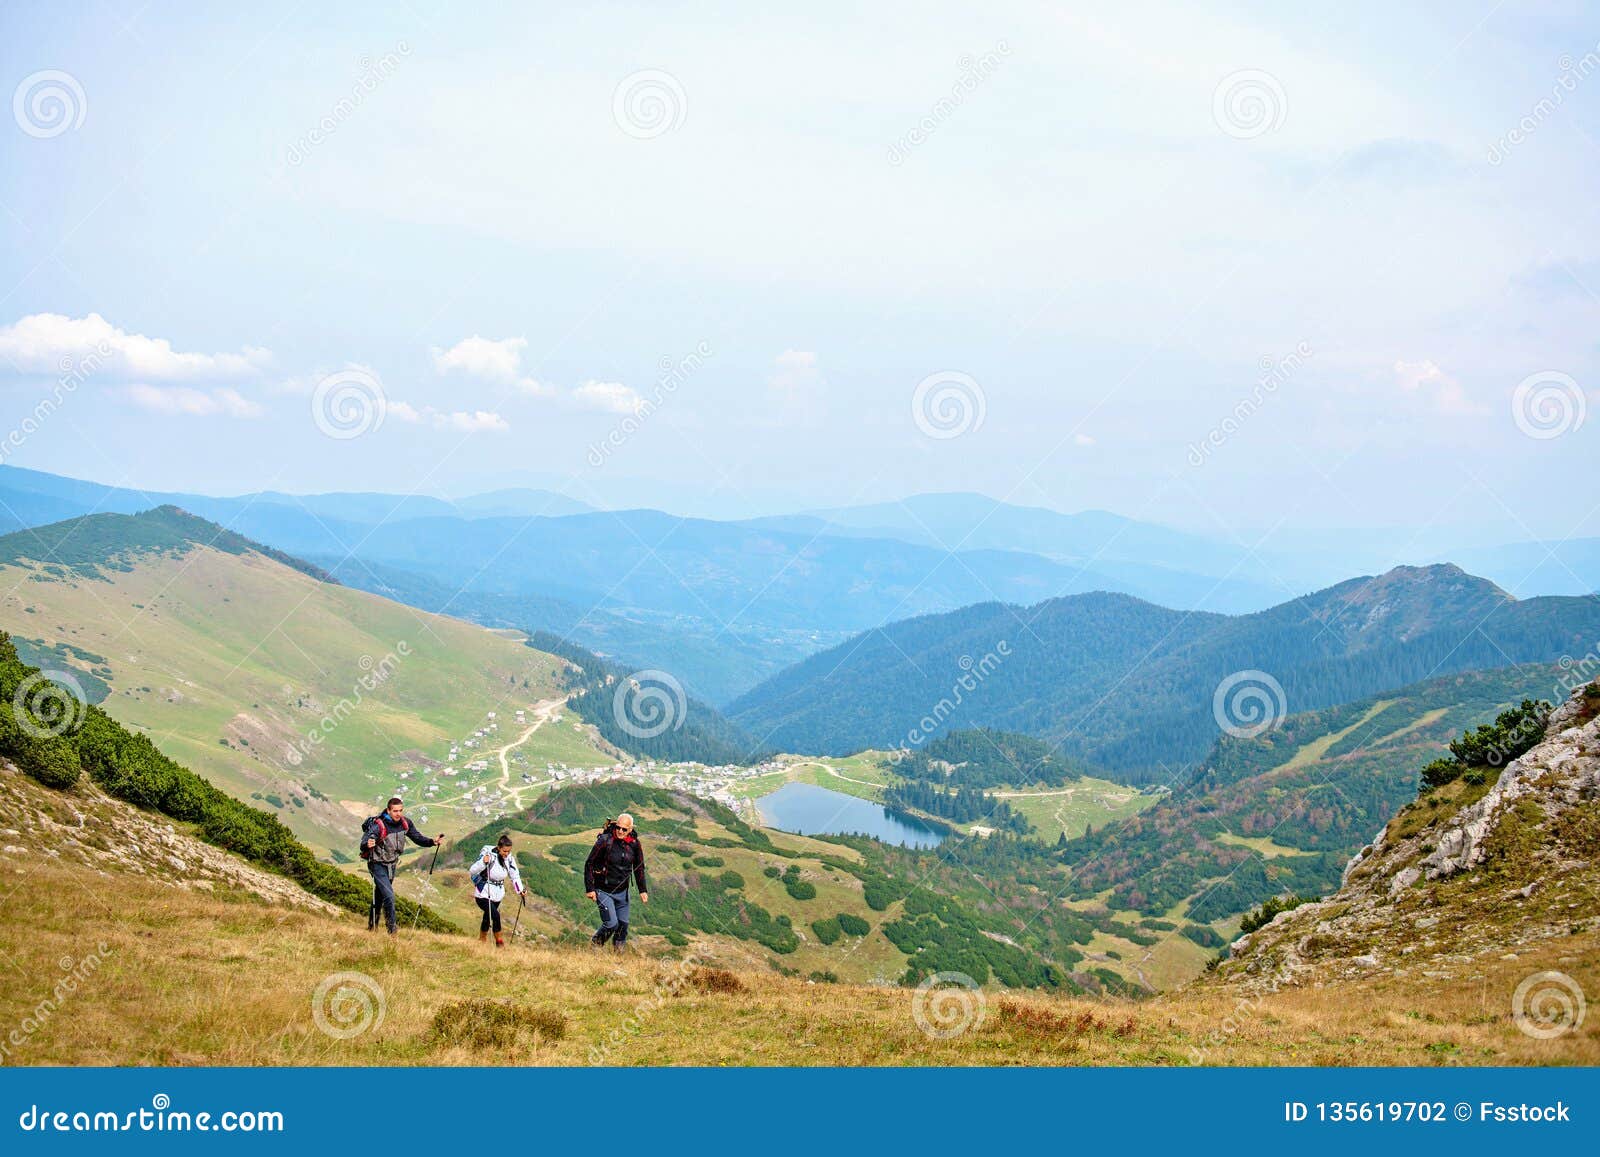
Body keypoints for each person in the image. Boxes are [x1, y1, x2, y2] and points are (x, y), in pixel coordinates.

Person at [362, 797, 444, 934]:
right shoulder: (379, 825)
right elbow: (364, 842)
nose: (398, 814)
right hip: (377, 864)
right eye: (395, 811)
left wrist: (432, 842)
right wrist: (367, 844)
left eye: (400, 810)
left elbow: (417, 837)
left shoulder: (405, 823)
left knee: (380, 895)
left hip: (391, 864)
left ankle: (372, 927)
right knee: (389, 896)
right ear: (388, 810)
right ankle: (392, 932)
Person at [583, 812, 648, 950]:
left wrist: (642, 890)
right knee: (611, 924)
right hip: (603, 890)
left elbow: (639, 867)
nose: (620, 831)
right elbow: (589, 863)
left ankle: (618, 956)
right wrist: (590, 889)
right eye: (618, 827)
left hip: (622, 892)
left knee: (623, 925)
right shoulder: (605, 841)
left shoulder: (635, 844)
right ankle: (595, 944)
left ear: (630, 829)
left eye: (624, 829)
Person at [470, 833, 525, 946]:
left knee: (487, 917)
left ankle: (481, 941)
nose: (507, 854)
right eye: (504, 851)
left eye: (508, 851)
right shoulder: (488, 855)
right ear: (499, 847)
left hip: (497, 894)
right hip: (483, 892)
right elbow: (472, 870)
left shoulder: (509, 859)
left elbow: (514, 875)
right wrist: (483, 862)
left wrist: (520, 890)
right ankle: (499, 943)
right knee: (495, 915)